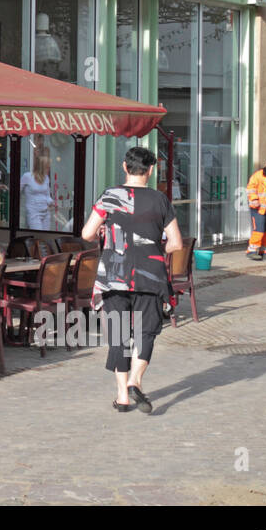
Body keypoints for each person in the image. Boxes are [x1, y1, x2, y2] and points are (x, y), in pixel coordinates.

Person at [80, 146, 183, 414]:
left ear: (124, 167)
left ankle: (122, 396)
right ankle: (136, 380)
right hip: (150, 273)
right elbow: (176, 243)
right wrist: (154, 249)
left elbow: (87, 234)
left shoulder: (110, 196)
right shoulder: (160, 200)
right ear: (150, 170)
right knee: (146, 331)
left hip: (115, 273)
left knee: (119, 333)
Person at [20, 150, 56, 231]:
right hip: (33, 212)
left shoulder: (46, 178)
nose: (49, 169)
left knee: (46, 235)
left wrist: (52, 202)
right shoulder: (27, 176)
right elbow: (17, 190)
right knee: (37, 235)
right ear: (41, 167)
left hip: (46, 212)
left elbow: (47, 196)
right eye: (47, 167)